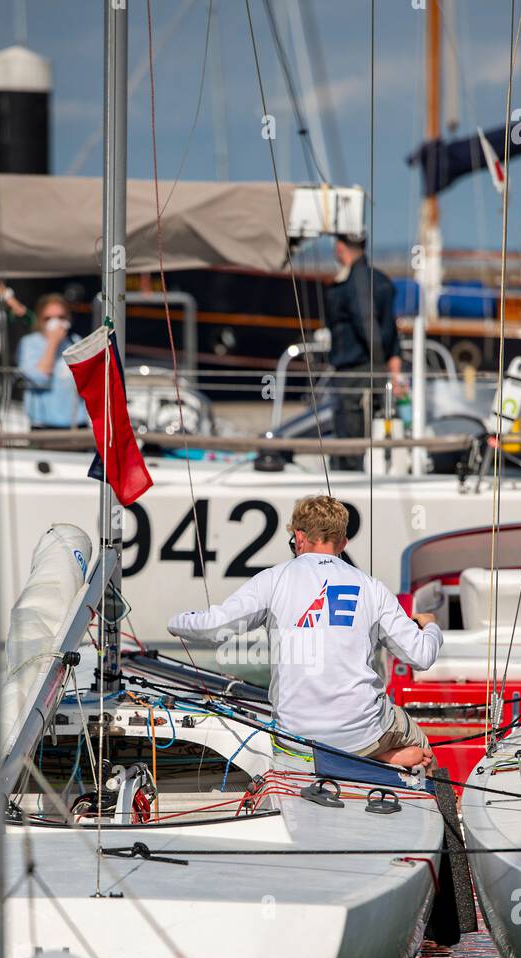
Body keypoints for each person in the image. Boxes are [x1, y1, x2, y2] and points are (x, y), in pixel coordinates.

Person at [167, 495, 441, 769]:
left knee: (317, 735)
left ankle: (368, 757)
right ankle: (389, 763)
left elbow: (214, 626)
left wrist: (176, 621)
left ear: (298, 537)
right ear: (343, 543)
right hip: (361, 732)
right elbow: (421, 656)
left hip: (295, 737)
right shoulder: (372, 588)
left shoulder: (273, 580)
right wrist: (430, 626)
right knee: (421, 747)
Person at [324, 234, 404, 471]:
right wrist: (393, 374)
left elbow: (367, 325)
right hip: (379, 374)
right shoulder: (382, 281)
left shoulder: (350, 285)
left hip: (354, 375)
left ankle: (347, 487)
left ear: (340, 247)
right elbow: (391, 331)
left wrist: (378, 362)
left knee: (350, 445)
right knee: (380, 439)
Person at [16, 293, 89, 430]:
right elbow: (38, 379)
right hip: (44, 424)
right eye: (48, 318)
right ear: (40, 320)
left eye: (61, 317)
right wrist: (53, 343)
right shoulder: (29, 343)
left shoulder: (76, 341)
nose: (55, 322)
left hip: (76, 423)